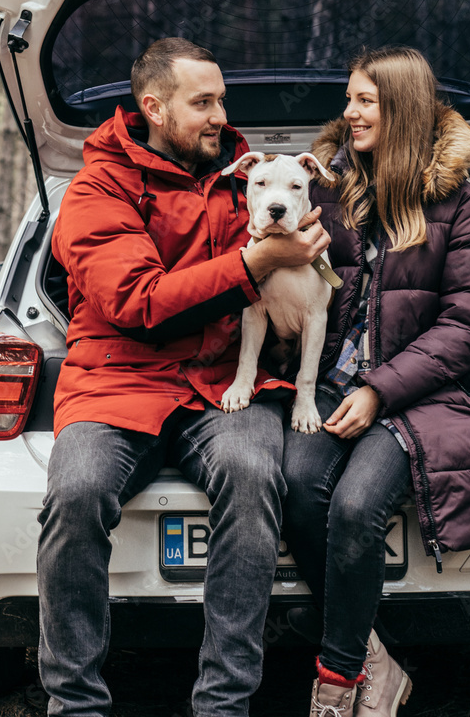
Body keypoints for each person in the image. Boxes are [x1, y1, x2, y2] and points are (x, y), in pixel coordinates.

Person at [36, 37, 330, 717]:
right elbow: (139, 303)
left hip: (222, 382)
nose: (221, 116)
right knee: (76, 494)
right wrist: (254, 264)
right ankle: (75, 705)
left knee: (253, 477)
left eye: (221, 100)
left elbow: (306, 257)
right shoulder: (96, 189)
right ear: (155, 108)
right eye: (203, 103)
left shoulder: (245, 179)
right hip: (117, 381)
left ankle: (223, 703)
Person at [282, 46, 470, 717]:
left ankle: (336, 681)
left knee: (356, 506)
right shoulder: (326, 188)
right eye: (350, 98)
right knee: (296, 483)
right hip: (336, 382)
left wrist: (380, 390)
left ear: (404, 109)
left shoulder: (461, 203)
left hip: (426, 395)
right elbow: (296, 282)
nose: (349, 112)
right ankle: (375, 661)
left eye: (366, 101)